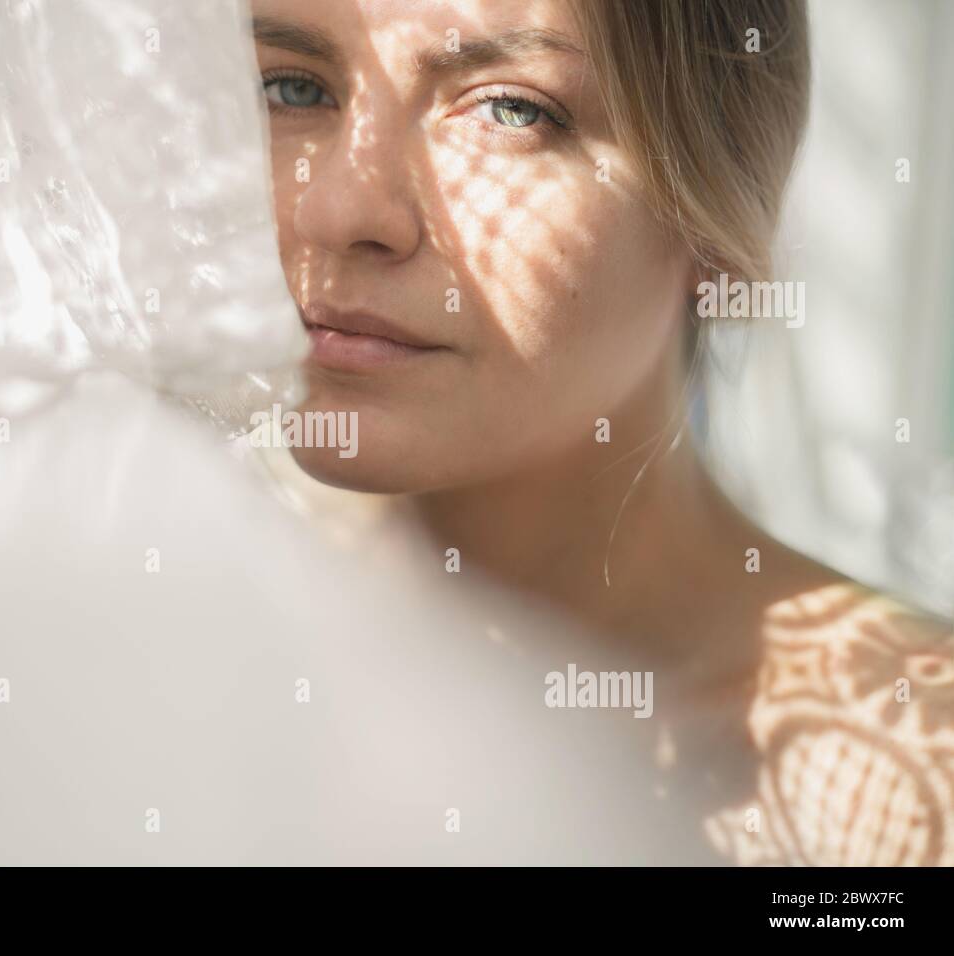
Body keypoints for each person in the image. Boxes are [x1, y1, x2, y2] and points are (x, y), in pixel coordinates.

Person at [251, 0, 954, 864]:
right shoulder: (155, 648)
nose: (338, 209)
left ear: (719, 210)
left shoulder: (905, 785)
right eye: (289, 86)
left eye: (512, 109)